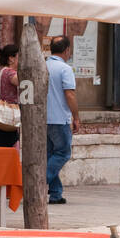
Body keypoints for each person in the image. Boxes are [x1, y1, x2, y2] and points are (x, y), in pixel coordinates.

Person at [45, 36, 80, 205]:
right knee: (63, 153)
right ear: (67, 50)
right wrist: (76, 117)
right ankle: (38, 181)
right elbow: (70, 94)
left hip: (41, 120)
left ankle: (56, 194)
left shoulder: (42, 65)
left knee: (51, 155)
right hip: (59, 119)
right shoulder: (65, 69)